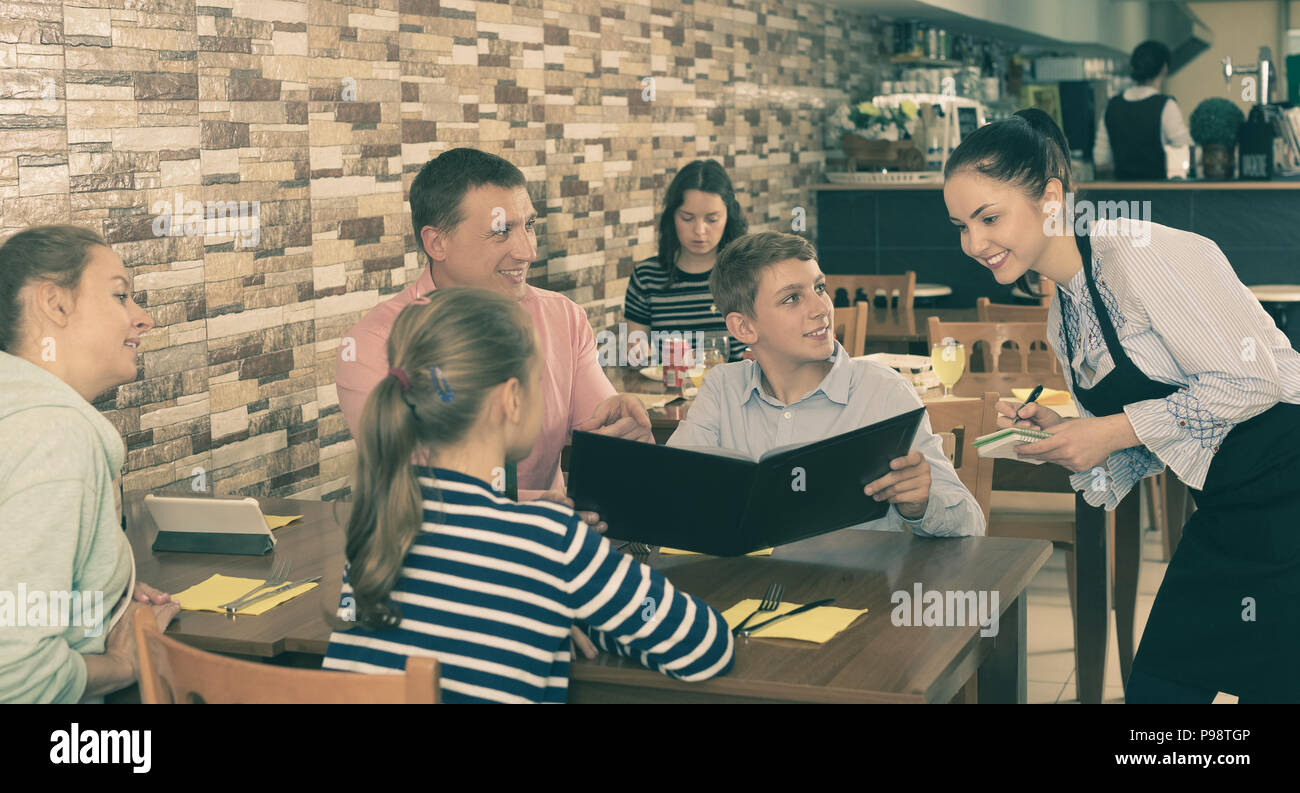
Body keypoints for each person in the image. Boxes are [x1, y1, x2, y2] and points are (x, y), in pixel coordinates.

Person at [944, 108, 1300, 703]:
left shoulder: (1138, 255)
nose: (973, 243)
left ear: (1051, 198)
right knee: (1162, 694)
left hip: (1288, 481)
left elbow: (1251, 381)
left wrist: (1108, 432)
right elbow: (1163, 432)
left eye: (988, 218)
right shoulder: (1063, 311)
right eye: (960, 225)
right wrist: (1068, 440)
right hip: (1230, 506)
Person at [322, 288, 734, 702]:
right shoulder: (550, 537)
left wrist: (548, 607)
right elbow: (704, 646)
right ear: (512, 400)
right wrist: (565, 608)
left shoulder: (377, 531)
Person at [336, 147, 653, 518]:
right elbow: (416, 488)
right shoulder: (370, 345)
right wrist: (539, 508)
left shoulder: (562, 316)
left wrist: (626, 437)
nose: (528, 251)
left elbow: (602, 437)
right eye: (502, 231)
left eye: (530, 226)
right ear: (437, 242)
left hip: (555, 548)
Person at [667, 231, 985, 538]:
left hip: (856, 588)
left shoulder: (883, 392)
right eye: (792, 298)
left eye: (819, 287)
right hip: (746, 587)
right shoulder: (723, 388)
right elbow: (670, 493)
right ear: (744, 327)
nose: (822, 309)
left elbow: (971, 525)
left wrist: (921, 506)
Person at [0, 225, 180, 703]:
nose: (142, 320)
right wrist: (122, 665)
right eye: (121, 296)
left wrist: (94, 583)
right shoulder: (53, 437)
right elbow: (15, 677)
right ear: (54, 304)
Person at [623, 160, 750, 363]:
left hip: (737, 392)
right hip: (669, 392)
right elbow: (634, 356)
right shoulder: (647, 277)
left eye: (712, 219)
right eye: (687, 218)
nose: (699, 230)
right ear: (672, 217)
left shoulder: (748, 274)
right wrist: (639, 353)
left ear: (729, 217)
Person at [1093, 40, 1193, 180]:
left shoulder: (1112, 105)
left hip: (1122, 195)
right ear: (1164, 68)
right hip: (1160, 194)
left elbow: (1100, 159)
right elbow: (1185, 149)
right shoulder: (1166, 105)